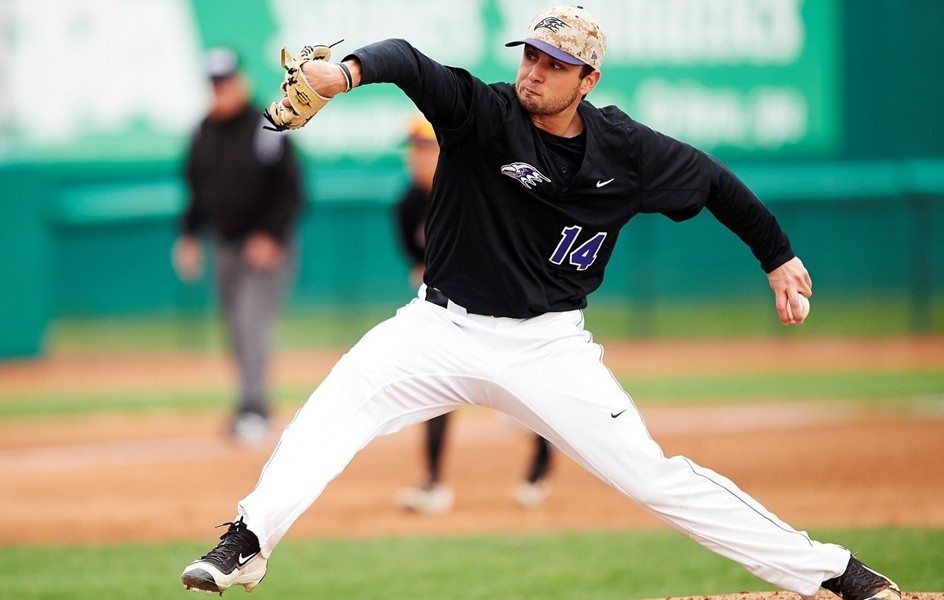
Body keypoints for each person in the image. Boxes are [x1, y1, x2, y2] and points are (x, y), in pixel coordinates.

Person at [181, 7, 901, 600]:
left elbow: (712, 182)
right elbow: (406, 58)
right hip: (438, 327)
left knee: (654, 478)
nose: (534, 71)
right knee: (334, 407)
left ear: (588, 80)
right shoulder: (484, 113)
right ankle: (248, 541)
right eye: (530, 56)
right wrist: (346, 74)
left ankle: (832, 571)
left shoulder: (626, 151)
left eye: (555, 64)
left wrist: (777, 255)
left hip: (549, 348)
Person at [394, 116, 554, 513]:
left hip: (503, 308)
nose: (417, 157)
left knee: (526, 393)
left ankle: (540, 464)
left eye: (426, 148)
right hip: (450, 310)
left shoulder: (471, 186)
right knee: (435, 384)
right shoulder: (407, 204)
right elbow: (417, 260)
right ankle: (433, 483)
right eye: (414, 149)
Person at [172, 47, 305, 446]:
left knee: (251, 324)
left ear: (241, 82)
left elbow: (292, 189)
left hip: (264, 249)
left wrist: (271, 234)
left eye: (225, 82)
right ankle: (248, 402)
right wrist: (189, 235)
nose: (219, 90)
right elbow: (197, 190)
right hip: (225, 246)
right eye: (213, 84)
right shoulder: (203, 131)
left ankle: (254, 409)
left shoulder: (266, 125)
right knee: (234, 330)